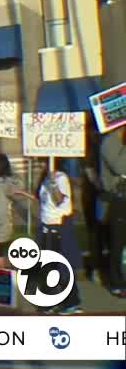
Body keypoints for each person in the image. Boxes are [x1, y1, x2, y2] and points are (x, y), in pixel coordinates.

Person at [37, 162, 81, 314]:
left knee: (62, 267)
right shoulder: (44, 177)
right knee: (48, 267)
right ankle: (51, 301)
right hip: (46, 226)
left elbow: (60, 201)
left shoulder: (60, 178)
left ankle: (72, 302)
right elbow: (43, 202)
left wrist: (54, 184)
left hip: (59, 227)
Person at [0, 153, 35, 269]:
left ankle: (2, 277)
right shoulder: (3, 181)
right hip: (3, 223)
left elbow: (13, 192)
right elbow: (16, 191)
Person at [99, 122, 126, 299]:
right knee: (119, 241)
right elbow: (121, 167)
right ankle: (117, 283)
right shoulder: (110, 143)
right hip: (119, 198)